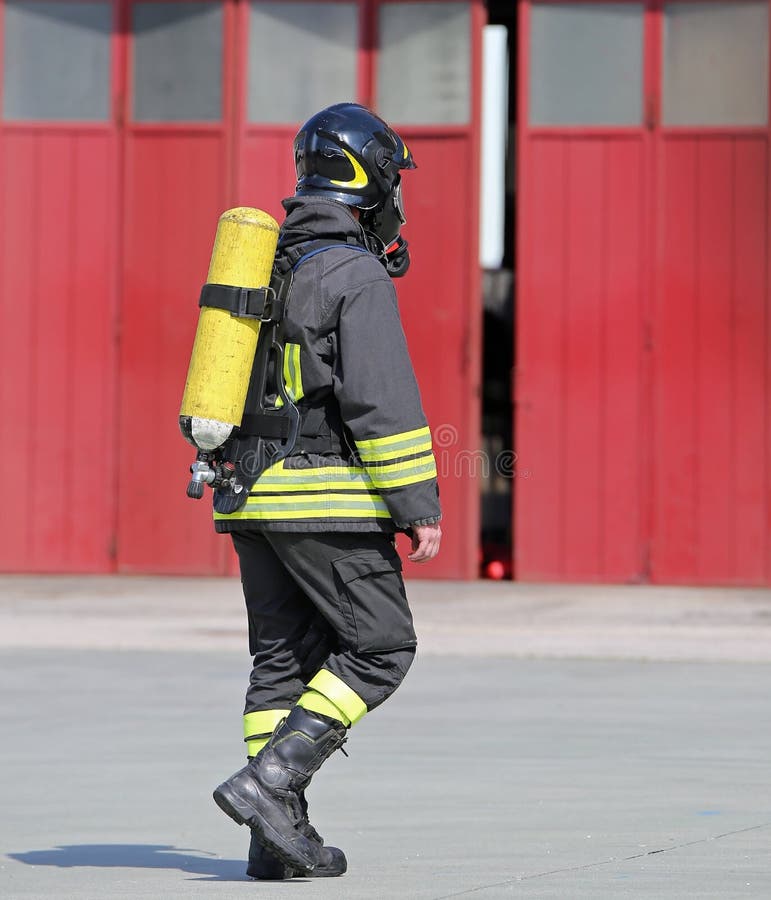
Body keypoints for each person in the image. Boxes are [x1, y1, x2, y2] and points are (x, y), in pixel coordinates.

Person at [211, 102, 442, 879]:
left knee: (280, 661)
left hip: (250, 498)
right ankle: (271, 785)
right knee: (380, 648)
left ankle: (276, 844)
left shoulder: (268, 262)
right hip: (326, 501)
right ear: (370, 179)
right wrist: (418, 504)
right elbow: (381, 399)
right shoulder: (352, 271)